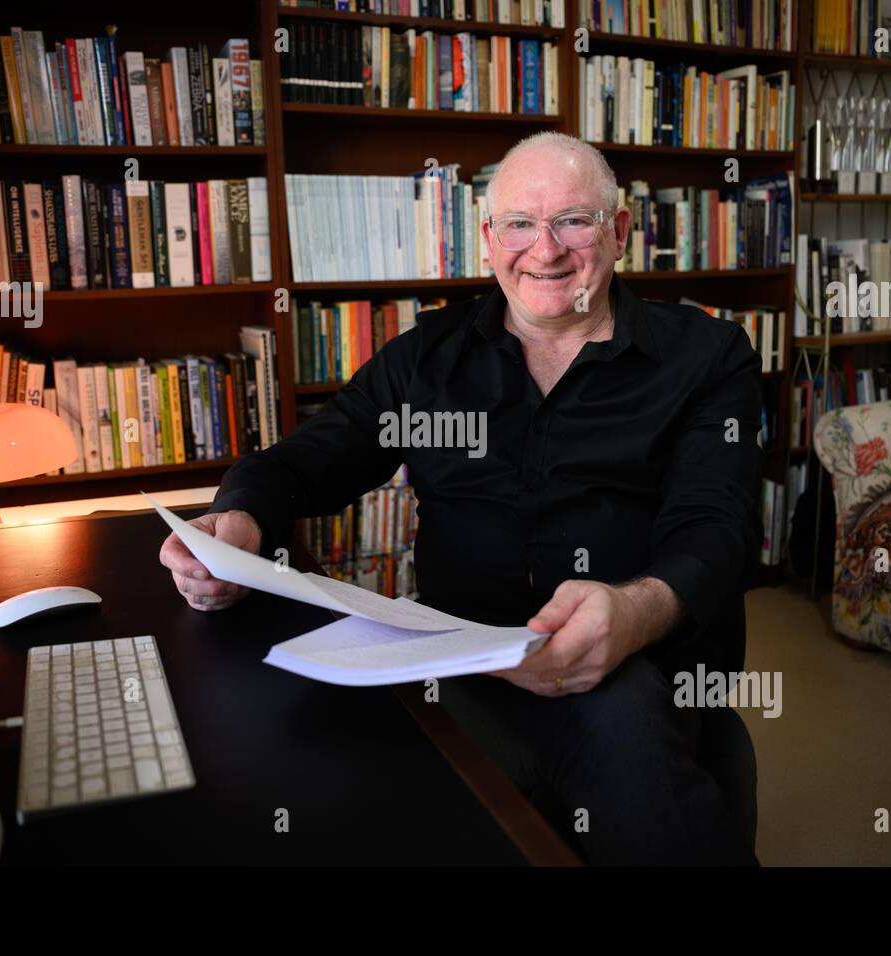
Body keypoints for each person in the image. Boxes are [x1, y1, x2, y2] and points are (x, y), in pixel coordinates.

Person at [159, 131, 763, 864]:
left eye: (574, 220)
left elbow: (715, 529)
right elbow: (312, 458)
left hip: (629, 668)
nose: (546, 251)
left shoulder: (707, 355)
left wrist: (634, 611)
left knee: (630, 732)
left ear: (620, 232)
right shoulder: (428, 358)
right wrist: (238, 521)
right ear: (487, 239)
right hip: (459, 668)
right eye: (519, 224)